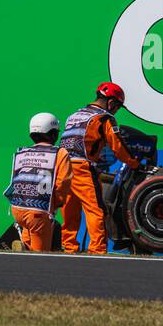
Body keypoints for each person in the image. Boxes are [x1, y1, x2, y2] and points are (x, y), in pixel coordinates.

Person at [58, 82, 142, 255]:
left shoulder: (74, 115)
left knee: (69, 210)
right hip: (82, 167)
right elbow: (117, 146)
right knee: (95, 209)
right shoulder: (104, 118)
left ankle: (69, 248)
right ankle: (97, 251)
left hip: (63, 167)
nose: (116, 110)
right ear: (111, 103)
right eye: (117, 107)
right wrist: (135, 163)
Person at [4, 113, 72, 253]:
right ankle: (31, 253)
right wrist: (57, 203)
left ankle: (25, 246)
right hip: (39, 211)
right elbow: (63, 182)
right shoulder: (60, 153)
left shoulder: (22, 152)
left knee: (29, 232)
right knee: (40, 256)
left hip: (18, 208)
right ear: (52, 134)